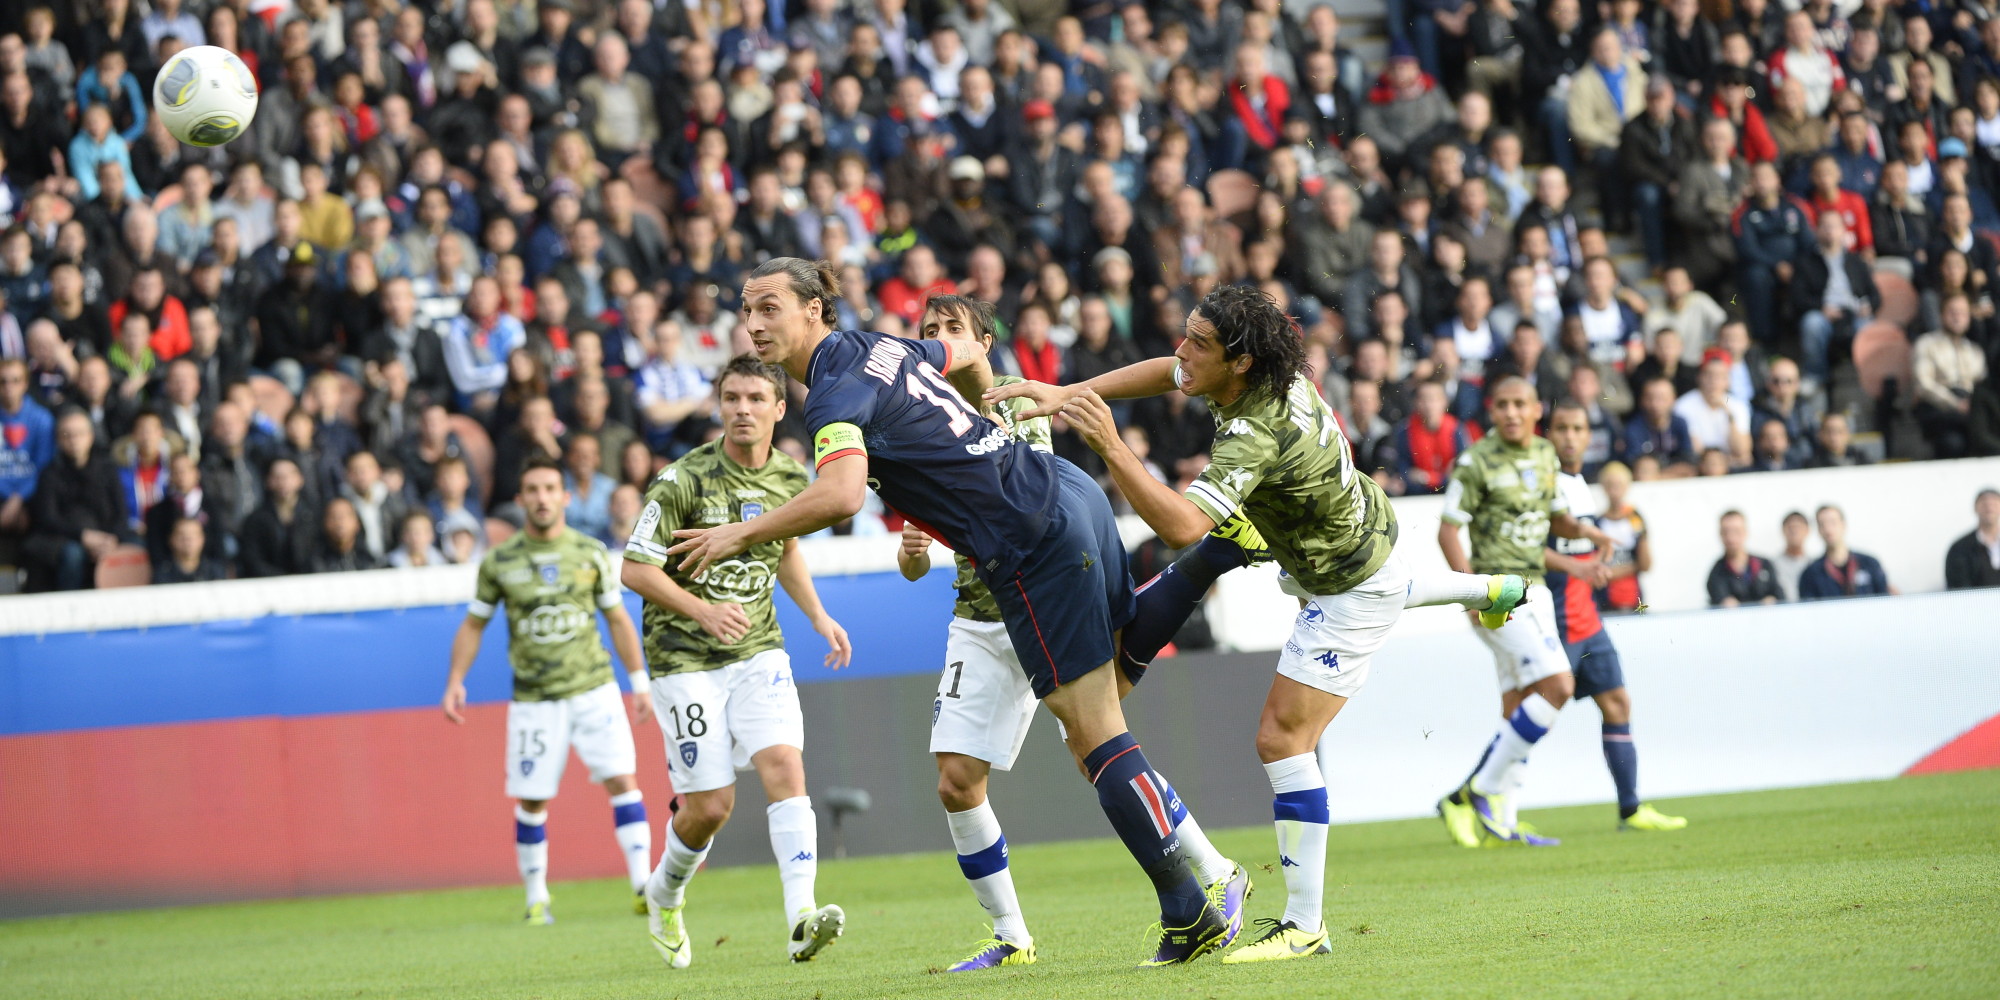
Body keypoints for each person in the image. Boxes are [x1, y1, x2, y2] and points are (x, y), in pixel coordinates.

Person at [668, 259, 1240, 966]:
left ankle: (1188, 906)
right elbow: (968, 352)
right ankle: (1212, 560)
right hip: (1065, 491)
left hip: (1025, 540)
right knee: (1104, 698)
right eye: (748, 309)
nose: (754, 323)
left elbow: (844, 495)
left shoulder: (832, 393)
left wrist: (740, 532)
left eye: (770, 307)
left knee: (1095, 736)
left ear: (815, 309)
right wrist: (983, 420)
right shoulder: (882, 346)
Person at [991, 285, 1522, 961]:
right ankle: (1486, 588)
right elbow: (1168, 371)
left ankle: (1304, 924)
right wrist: (1064, 392)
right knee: (1382, 596)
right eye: (1186, 333)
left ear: (1239, 363)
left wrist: (1114, 449)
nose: (1183, 351)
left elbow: (1183, 525)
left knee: (1282, 741)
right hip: (1354, 543)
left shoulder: (1254, 430)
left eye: (1200, 344)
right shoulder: (1267, 371)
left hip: (1349, 588)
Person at [895, 295, 1242, 971]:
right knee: (957, 780)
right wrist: (912, 555)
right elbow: (922, 560)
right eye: (928, 332)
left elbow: (1001, 471)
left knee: (1100, 746)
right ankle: (1011, 936)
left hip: (1047, 602)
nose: (937, 341)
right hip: (979, 617)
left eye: (951, 331)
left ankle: (1216, 873)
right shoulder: (924, 421)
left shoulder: (1014, 403)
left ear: (983, 342)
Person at [622, 354, 854, 968]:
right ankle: (665, 895)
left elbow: (784, 550)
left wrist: (817, 615)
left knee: (784, 765)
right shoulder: (683, 480)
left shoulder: (788, 476)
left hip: (758, 649)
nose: (742, 410)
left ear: (780, 409)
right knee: (710, 808)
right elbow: (634, 568)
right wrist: (701, 611)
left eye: (756, 399)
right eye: (732, 399)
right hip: (684, 657)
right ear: (718, 404)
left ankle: (801, 918)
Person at [442, 457, 654, 926]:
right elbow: (474, 624)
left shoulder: (590, 552)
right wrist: (457, 679)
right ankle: (537, 898)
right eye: (532, 490)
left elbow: (617, 619)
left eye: (549, 489)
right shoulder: (500, 561)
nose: (541, 498)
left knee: (623, 780)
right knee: (533, 799)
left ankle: (643, 886)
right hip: (535, 699)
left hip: (594, 688)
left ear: (565, 497)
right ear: (520, 500)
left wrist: (638, 682)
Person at [1435, 376, 1614, 848]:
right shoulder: (1475, 460)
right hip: (1499, 594)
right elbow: (1448, 532)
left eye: (1521, 404)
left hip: (1538, 592)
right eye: (1503, 404)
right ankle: (1479, 791)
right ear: (1492, 411)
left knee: (1517, 706)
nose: (1512, 412)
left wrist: (1587, 537)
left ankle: (1505, 821)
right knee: (1558, 686)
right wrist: (1473, 592)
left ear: (1537, 411)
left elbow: (1553, 518)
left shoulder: (1544, 455)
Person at [1544, 403, 1686, 830]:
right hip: (1558, 615)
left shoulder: (1580, 487)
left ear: (1590, 436)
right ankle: (1480, 794)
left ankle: (1631, 808)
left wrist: (1597, 558)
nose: (1570, 437)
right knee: (1538, 708)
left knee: (1617, 701)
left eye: (1578, 429)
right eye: (1562, 428)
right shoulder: (1545, 485)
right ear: (1549, 434)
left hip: (1588, 616)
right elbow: (1530, 549)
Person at [1797, 504, 1892, 600]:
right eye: (1822, 524)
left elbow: (1884, 602)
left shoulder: (1870, 564)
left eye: (1833, 522)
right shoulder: (1811, 574)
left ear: (1843, 525)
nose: (1828, 529)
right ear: (1818, 530)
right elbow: (1809, 611)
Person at [1708, 509, 1784, 606]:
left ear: (1745, 532)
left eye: (1736, 531)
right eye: (1726, 532)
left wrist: (1773, 601)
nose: (1731, 538)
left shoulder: (1764, 565)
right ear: (1720, 535)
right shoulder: (1717, 573)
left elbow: (1780, 595)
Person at [1943, 489, 2000, 591]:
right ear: (1976, 508)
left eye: (1994, 502)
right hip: (1976, 605)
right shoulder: (1960, 548)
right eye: (1984, 503)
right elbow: (1958, 587)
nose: (1989, 506)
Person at [152, 516, 227, 584]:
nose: (187, 541)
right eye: (181, 536)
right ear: (171, 539)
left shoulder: (214, 571)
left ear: (202, 539)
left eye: (193, 536)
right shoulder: (163, 573)